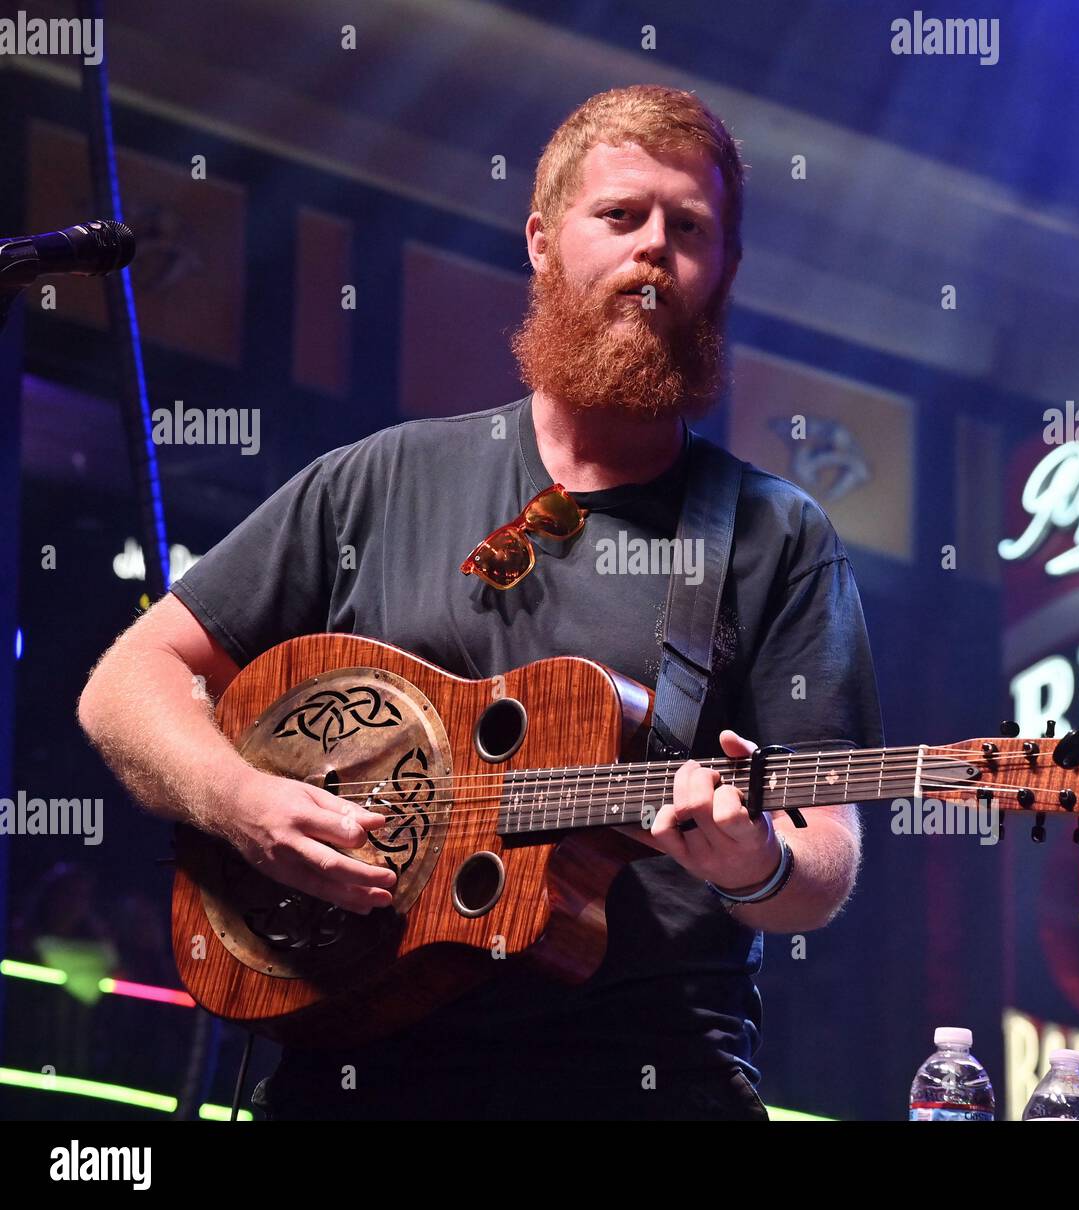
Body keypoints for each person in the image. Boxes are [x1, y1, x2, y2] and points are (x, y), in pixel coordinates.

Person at [76, 84, 883, 1121]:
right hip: (354, 1080)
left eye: (690, 230)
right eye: (621, 215)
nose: (655, 251)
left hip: (648, 1084)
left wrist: (759, 861)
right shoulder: (379, 479)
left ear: (721, 271)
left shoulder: (777, 534)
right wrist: (242, 802)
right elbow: (127, 681)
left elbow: (824, 859)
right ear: (543, 241)